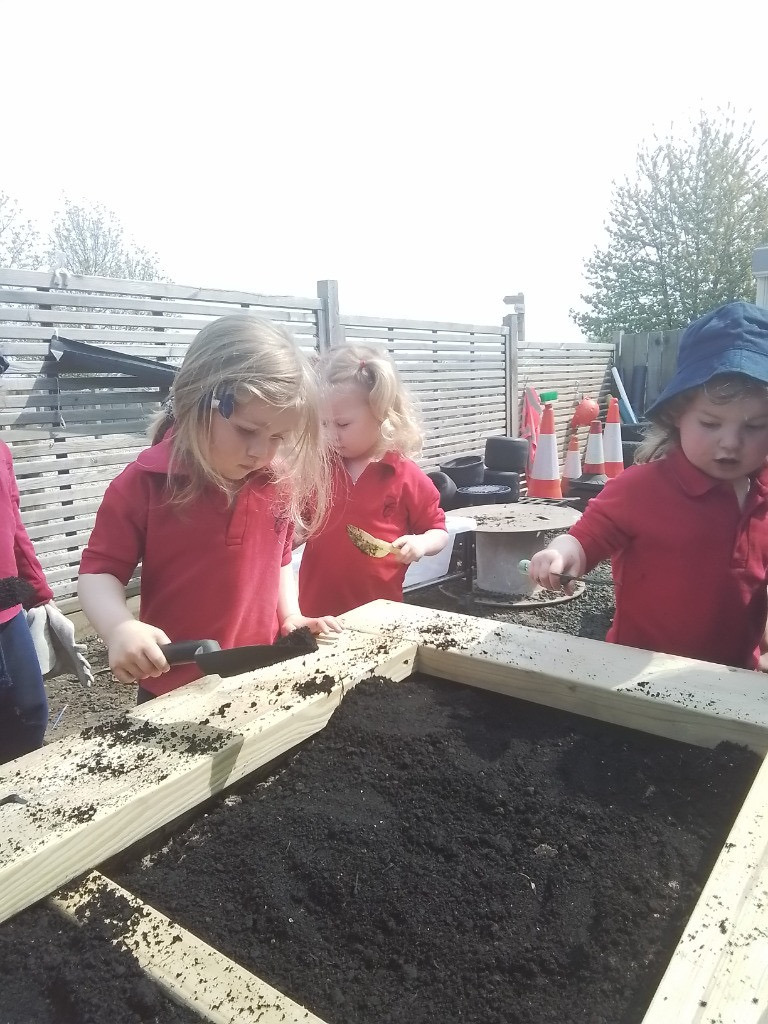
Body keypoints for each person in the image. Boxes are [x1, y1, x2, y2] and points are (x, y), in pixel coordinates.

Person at [78, 314, 341, 700]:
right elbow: (99, 572)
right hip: (173, 685)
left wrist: (291, 616)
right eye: (248, 431)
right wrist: (119, 627)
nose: (260, 452)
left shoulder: (276, 481)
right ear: (198, 400)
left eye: (278, 438)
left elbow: (280, 560)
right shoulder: (145, 482)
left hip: (258, 674)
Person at [528, 301, 768, 670]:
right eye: (710, 423)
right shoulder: (641, 489)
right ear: (677, 415)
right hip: (636, 679)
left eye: (753, 427)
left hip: (734, 683)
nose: (731, 442)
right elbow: (585, 538)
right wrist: (561, 554)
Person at [298, 343, 448, 617]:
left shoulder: (404, 476)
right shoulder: (320, 470)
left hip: (380, 615)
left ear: (382, 416)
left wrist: (421, 544)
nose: (331, 435)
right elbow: (300, 527)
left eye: (342, 425)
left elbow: (438, 530)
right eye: (323, 424)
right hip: (316, 614)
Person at [0, 439, 92, 762]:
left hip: (6, 610)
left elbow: (13, 527)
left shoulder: (1, 450)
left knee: (30, 713)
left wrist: (42, 598)